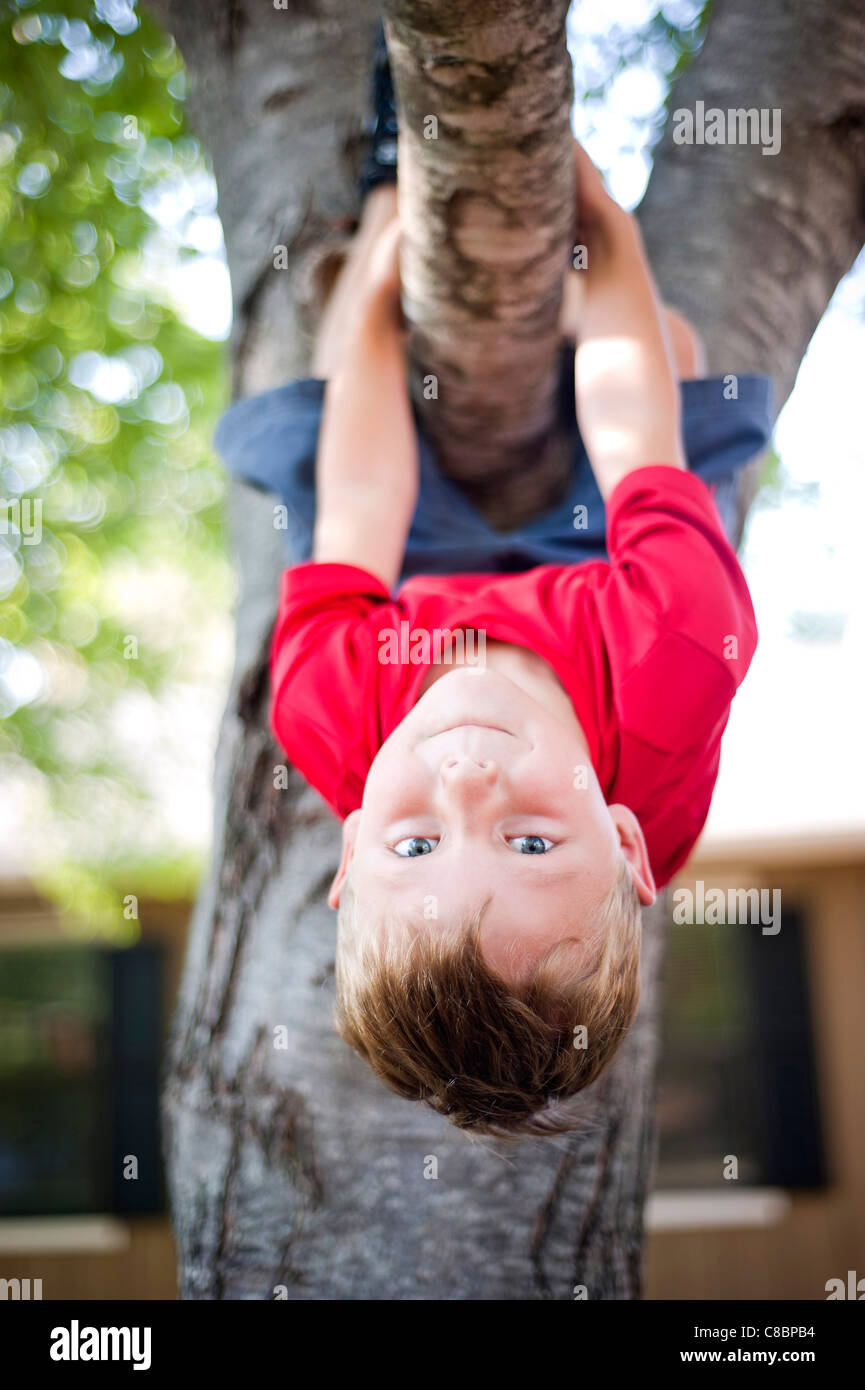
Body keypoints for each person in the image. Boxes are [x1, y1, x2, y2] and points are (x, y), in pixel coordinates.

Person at [215, 34, 774, 1139]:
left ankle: (390, 195)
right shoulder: (674, 653)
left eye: (415, 844)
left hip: (416, 572)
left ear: (349, 862)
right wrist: (583, 207)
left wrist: (384, 287)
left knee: (331, 394)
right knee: (662, 341)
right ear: (622, 842)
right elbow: (633, 421)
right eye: (528, 840)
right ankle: (543, 281)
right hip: (593, 577)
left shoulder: (330, 709)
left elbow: (363, 501)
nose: (464, 777)